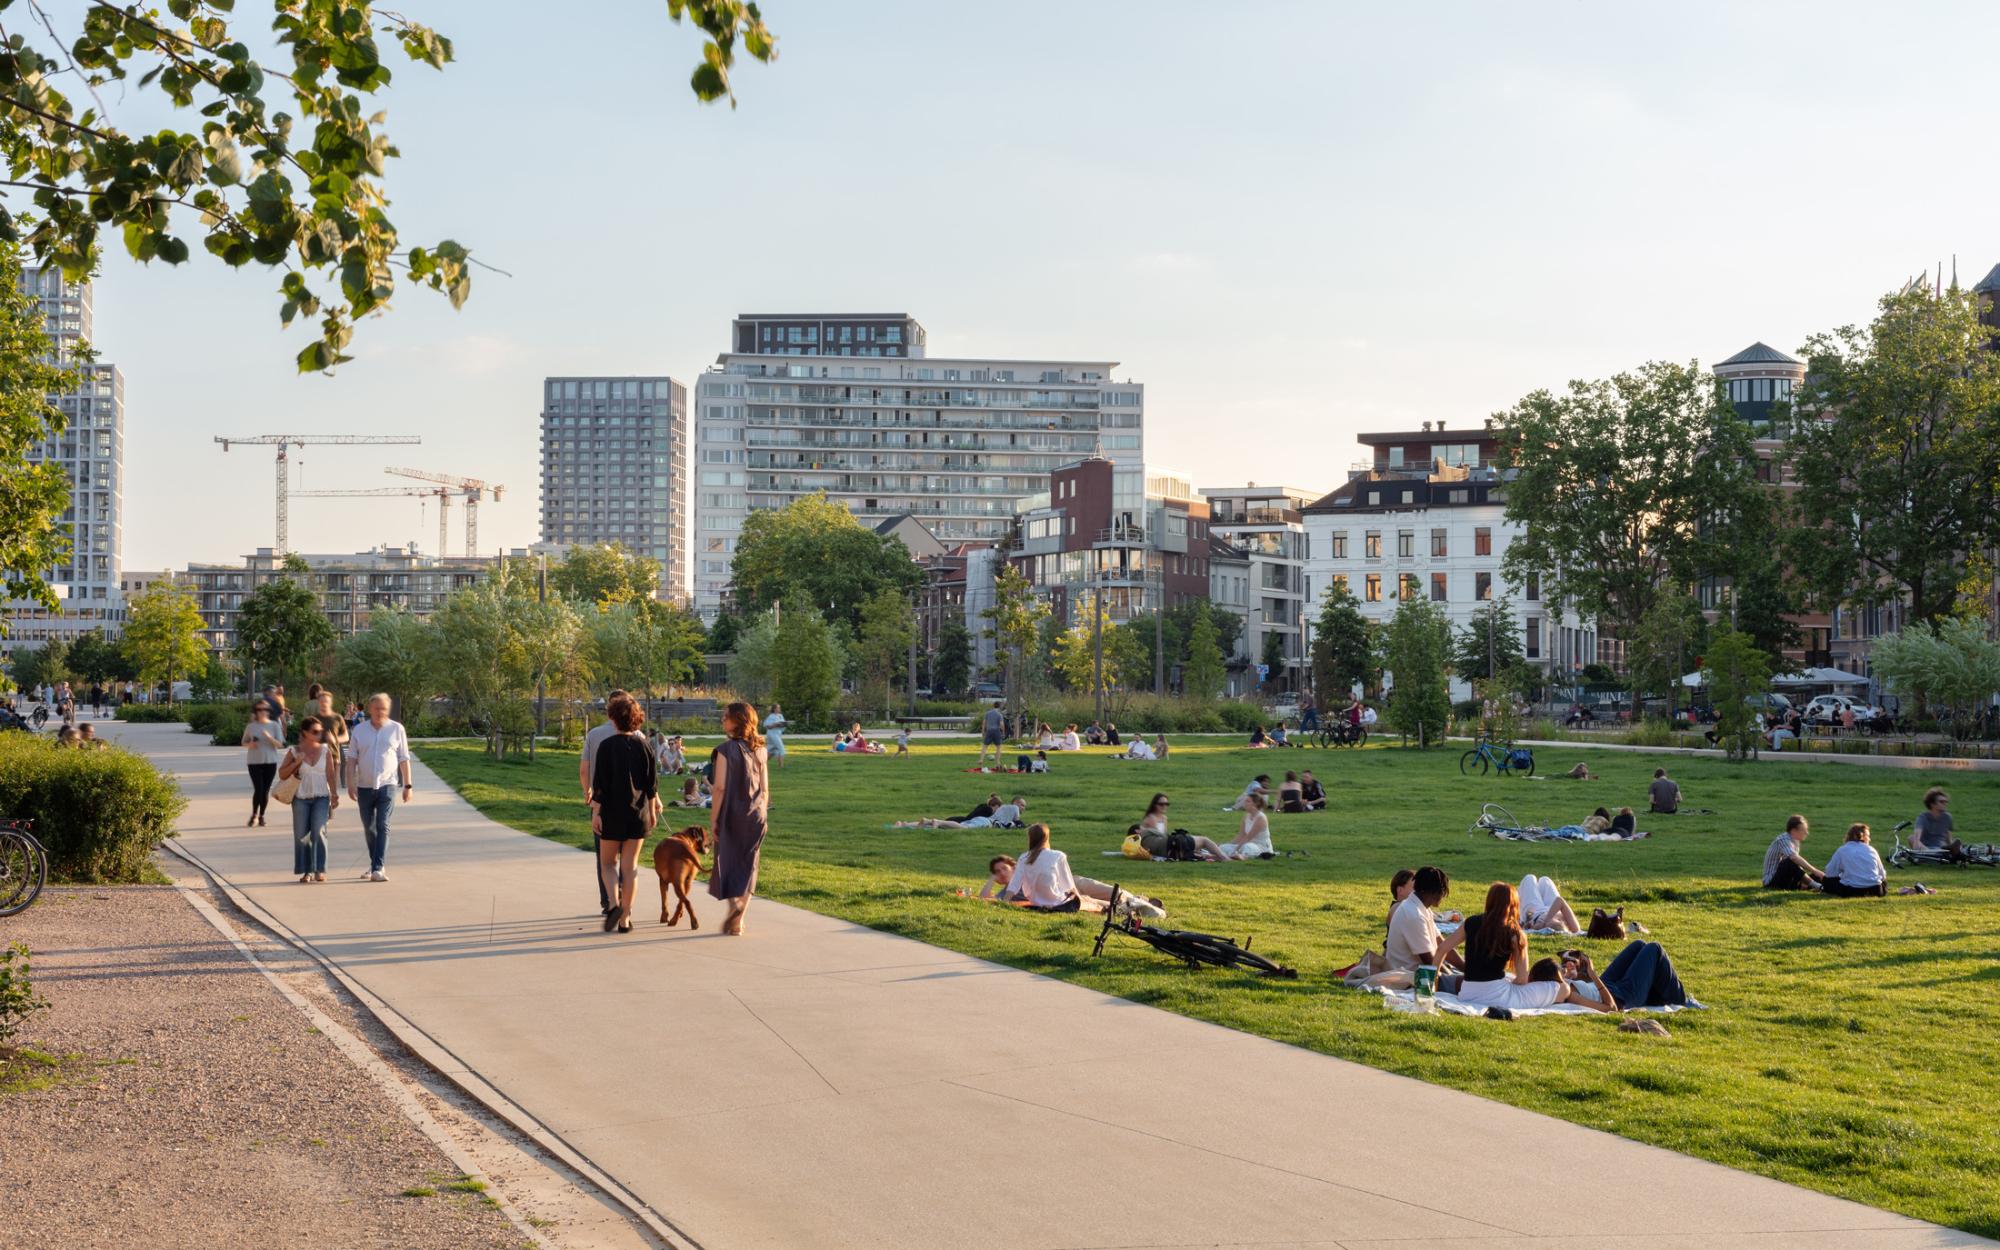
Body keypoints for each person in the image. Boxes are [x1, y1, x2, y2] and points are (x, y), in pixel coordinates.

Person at [1436, 882, 1574, 1012]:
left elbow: (1442, 949)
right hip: (1499, 998)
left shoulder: (1470, 922)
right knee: (1563, 989)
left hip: (1467, 993)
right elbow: (1522, 979)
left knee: (1507, 977)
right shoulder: (1515, 933)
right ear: (1513, 905)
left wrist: (1432, 980)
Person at [590, 693, 658, 933]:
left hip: (611, 812)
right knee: (630, 867)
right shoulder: (645, 745)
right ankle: (625, 918)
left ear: (612, 718)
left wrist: (596, 813)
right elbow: (651, 784)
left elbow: (600, 785)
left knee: (608, 863)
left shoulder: (606, 747)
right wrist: (651, 811)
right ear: (636, 719)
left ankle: (614, 903)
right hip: (638, 814)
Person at [707, 701, 771, 936]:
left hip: (731, 815)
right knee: (749, 865)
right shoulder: (761, 750)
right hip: (756, 815)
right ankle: (739, 920)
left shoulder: (725, 750)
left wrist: (714, 819)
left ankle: (735, 906)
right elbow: (764, 790)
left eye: (726, 717)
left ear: (738, 721)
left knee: (726, 862)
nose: (722, 720)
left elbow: (720, 788)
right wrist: (761, 811)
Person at [346, 693, 412, 883]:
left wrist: (408, 785)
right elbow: (351, 759)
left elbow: (404, 759)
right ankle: (375, 863)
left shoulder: (397, 729)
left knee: (383, 825)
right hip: (364, 786)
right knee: (369, 827)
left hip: (388, 785)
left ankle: (378, 867)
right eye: (376, 708)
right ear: (369, 709)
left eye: (383, 709)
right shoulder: (359, 730)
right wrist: (350, 783)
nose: (380, 712)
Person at [978, 851, 1165, 918]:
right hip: (1065, 895)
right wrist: (990, 880)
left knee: (1111, 892)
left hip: (1071, 881)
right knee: (1104, 904)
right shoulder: (1006, 893)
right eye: (997, 872)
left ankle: (1138, 901)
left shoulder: (1026, 867)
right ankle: (1142, 905)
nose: (1001, 873)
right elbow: (983, 900)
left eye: (1004, 868)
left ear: (1013, 866)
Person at [580, 690, 629, 914]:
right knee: (628, 857)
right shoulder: (636, 735)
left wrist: (587, 791)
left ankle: (609, 901)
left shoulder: (595, 734)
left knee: (604, 857)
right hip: (631, 805)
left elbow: (584, 769)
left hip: (601, 804)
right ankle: (625, 903)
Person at [1532, 942, 1693, 1010]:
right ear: (1556, 980)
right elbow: (1611, 1008)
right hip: (1621, 997)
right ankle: (1680, 999)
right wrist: (1592, 974)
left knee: (1639, 944)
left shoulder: (1565, 984)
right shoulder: (1570, 996)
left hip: (1606, 983)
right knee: (1654, 949)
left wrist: (1577, 973)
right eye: (1561, 970)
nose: (1565, 967)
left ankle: (1658, 995)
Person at [279, 714, 341, 883]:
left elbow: (330, 773)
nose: (318, 735)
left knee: (318, 831)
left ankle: (319, 869)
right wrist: (296, 763)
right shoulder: (294, 751)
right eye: (315, 731)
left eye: (320, 732)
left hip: (321, 797)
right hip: (300, 798)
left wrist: (334, 794)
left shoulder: (325, 750)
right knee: (302, 834)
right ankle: (306, 871)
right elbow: (282, 773)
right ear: (305, 732)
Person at [1385, 865, 1462, 976]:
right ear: (1433, 892)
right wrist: (1453, 977)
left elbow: (1444, 947)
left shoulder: (1422, 908)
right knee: (1466, 984)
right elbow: (1431, 962)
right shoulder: (1413, 914)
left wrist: (1465, 968)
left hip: (1424, 969)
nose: (1443, 896)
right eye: (1443, 891)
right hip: (1410, 975)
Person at [1002, 824, 1081, 910]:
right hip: (1059, 902)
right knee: (1090, 901)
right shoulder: (1058, 856)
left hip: (1035, 902)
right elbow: (1068, 885)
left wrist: (1004, 901)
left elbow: (1014, 884)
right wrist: (1079, 900)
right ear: (1046, 838)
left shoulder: (1024, 858)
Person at [241, 701, 285, 828]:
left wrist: (269, 738)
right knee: (258, 789)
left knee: (265, 790)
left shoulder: (275, 725)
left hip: (270, 761)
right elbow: (243, 742)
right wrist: (250, 744)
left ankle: (262, 815)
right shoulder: (251, 726)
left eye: (264, 709)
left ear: (268, 711)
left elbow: (281, 744)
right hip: (254, 761)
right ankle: (254, 815)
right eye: (259, 709)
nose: (262, 711)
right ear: (256, 711)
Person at [1822, 823, 1888, 898]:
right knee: (1883, 883)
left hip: (1852, 890)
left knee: (1827, 881)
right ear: (1861, 837)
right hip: (1876, 889)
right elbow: (1882, 875)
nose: (1870, 839)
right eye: (1868, 836)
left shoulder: (1843, 850)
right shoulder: (1872, 850)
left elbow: (1830, 872)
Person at [1762, 814, 1826, 890]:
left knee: (1820, 876)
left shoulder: (1795, 841)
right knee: (1789, 862)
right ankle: (1816, 886)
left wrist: (1815, 874)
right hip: (1772, 882)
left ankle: (1827, 885)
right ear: (1794, 830)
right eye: (1803, 830)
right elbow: (1793, 859)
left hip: (1786, 879)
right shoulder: (1783, 840)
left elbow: (1796, 866)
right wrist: (1815, 871)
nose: (1806, 833)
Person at [1516, 874, 1582, 933]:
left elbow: (1529, 916)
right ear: (1560, 922)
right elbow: (1560, 900)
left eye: (1545, 925)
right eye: (1550, 922)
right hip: (1555, 907)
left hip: (1536, 913)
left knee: (1529, 878)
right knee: (1545, 880)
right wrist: (1546, 920)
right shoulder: (1574, 928)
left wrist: (1529, 922)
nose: (1545, 923)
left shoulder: (1538, 927)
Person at [309, 684, 349, 779]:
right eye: (321, 701)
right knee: (319, 788)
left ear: (330, 703)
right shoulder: (313, 719)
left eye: (326, 701)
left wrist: (334, 739)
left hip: (333, 757)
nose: (324, 704)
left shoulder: (338, 718)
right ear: (318, 702)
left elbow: (346, 736)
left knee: (331, 790)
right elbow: (307, 737)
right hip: (316, 757)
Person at [1217, 793, 1274, 860]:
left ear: (1256, 804)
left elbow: (1248, 837)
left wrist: (1236, 849)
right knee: (1223, 847)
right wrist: (1229, 844)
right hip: (1245, 844)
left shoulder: (1261, 818)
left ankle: (1242, 856)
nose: (1245, 803)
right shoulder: (1246, 816)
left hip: (1260, 846)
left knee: (1248, 847)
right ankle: (1236, 855)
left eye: (1248, 801)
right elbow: (1241, 835)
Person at [1913, 787, 1962, 854]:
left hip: (1942, 847)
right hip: (1927, 847)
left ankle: (1953, 853)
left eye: (1946, 802)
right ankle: (1933, 854)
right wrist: (1922, 850)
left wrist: (1952, 845)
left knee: (1956, 844)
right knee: (1911, 838)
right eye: (1941, 802)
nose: (1945, 804)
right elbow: (1917, 839)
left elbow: (1948, 838)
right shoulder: (1922, 818)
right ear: (1932, 804)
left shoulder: (1947, 817)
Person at [763, 703, 787, 769]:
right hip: (772, 734)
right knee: (781, 749)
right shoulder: (771, 716)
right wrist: (775, 724)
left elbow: (783, 724)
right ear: (774, 709)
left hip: (778, 734)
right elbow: (767, 726)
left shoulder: (780, 716)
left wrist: (783, 724)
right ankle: (781, 766)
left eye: (779, 708)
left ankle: (761, 763)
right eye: (777, 708)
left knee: (772, 751)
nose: (779, 709)